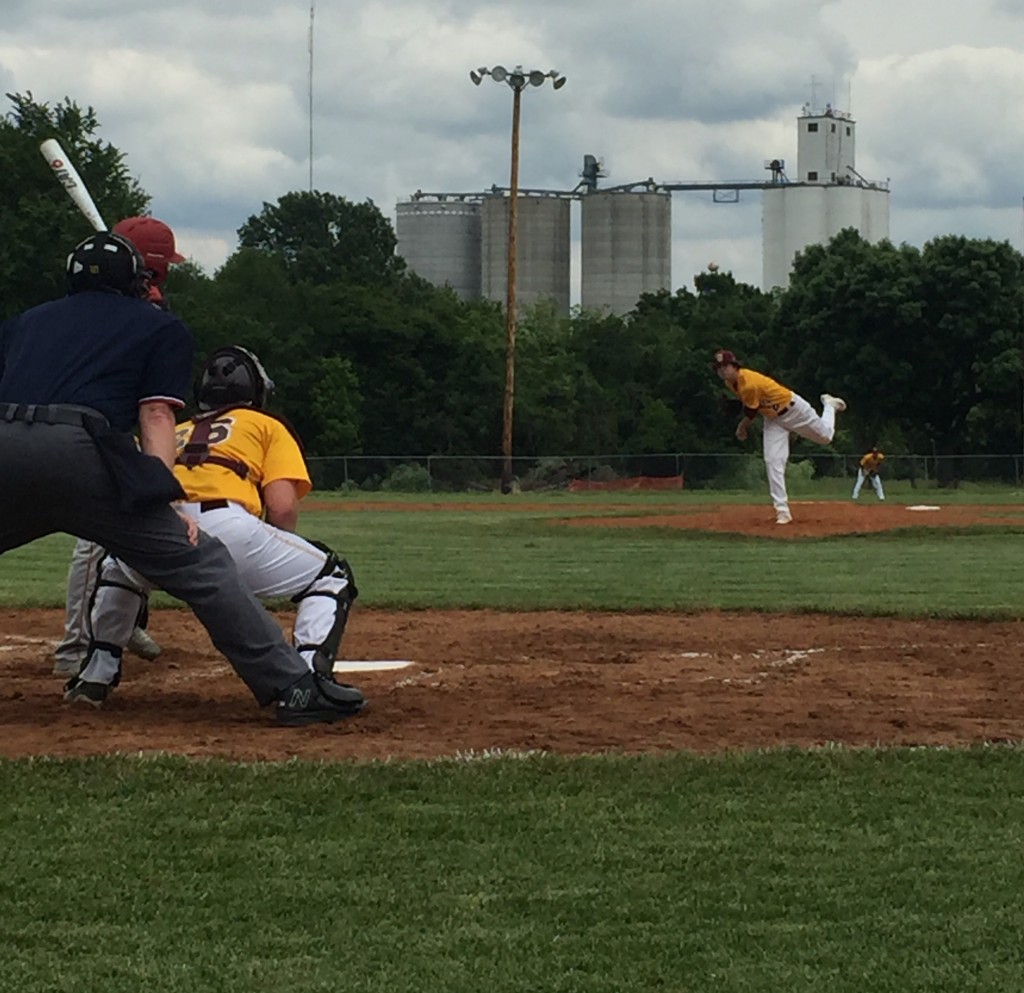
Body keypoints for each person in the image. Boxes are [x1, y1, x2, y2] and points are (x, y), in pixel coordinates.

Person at [0, 229, 364, 725]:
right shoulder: (158, 326)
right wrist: (165, 500)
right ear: (136, 279)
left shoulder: (23, 323)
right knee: (202, 564)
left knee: (120, 566)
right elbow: (155, 415)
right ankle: (293, 686)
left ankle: (96, 665)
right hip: (81, 450)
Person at [67, 345, 358, 706]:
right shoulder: (266, 424)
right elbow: (282, 508)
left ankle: (96, 673)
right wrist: (269, 556)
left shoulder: (174, 430)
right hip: (228, 523)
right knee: (332, 575)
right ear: (255, 392)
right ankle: (308, 679)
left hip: (161, 522)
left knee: (118, 568)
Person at [51, 216, 184, 677]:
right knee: (96, 542)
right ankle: (76, 647)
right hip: (86, 431)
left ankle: (125, 619)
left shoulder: (143, 306)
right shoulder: (136, 309)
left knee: (132, 531)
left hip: (113, 430)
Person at [712, 348, 847, 525]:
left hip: (794, 410)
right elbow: (753, 404)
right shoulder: (730, 383)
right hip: (773, 419)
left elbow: (751, 413)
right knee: (773, 460)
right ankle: (782, 511)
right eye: (718, 368)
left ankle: (829, 405)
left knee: (826, 437)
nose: (722, 370)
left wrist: (741, 427)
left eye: (725, 366)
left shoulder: (749, 383)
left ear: (735, 366)